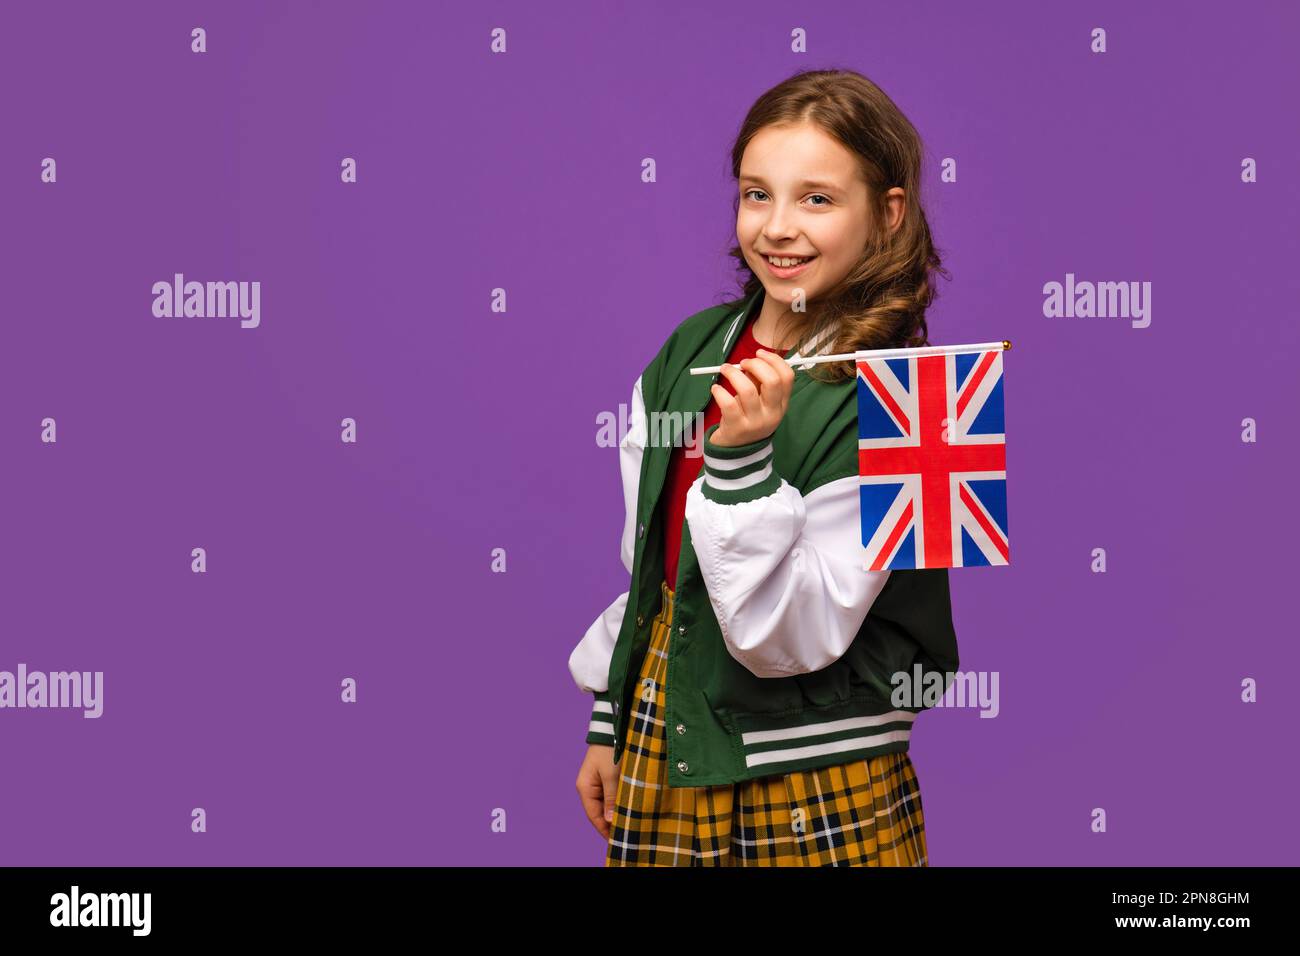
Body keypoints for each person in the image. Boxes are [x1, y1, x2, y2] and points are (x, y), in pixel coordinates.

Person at [570, 68, 959, 866]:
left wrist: (741, 461)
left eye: (816, 198)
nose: (778, 227)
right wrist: (611, 718)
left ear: (887, 215)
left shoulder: (919, 405)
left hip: (817, 776)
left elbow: (788, 638)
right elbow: (652, 567)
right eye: (757, 194)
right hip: (664, 731)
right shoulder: (688, 353)